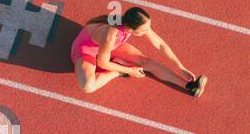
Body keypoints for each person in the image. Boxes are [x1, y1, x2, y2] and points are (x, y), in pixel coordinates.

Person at [70, 6, 207, 97]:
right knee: (88, 86)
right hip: (87, 51)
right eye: (144, 29)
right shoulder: (110, 34)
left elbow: (160, 45)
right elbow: (103, 62)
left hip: (111, 48)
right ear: (131, 29)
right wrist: (129, 71)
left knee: (146, 62)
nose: (148, 30)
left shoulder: (128, 25)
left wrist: (181, 67)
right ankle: (117, 71)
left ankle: (189, 86)